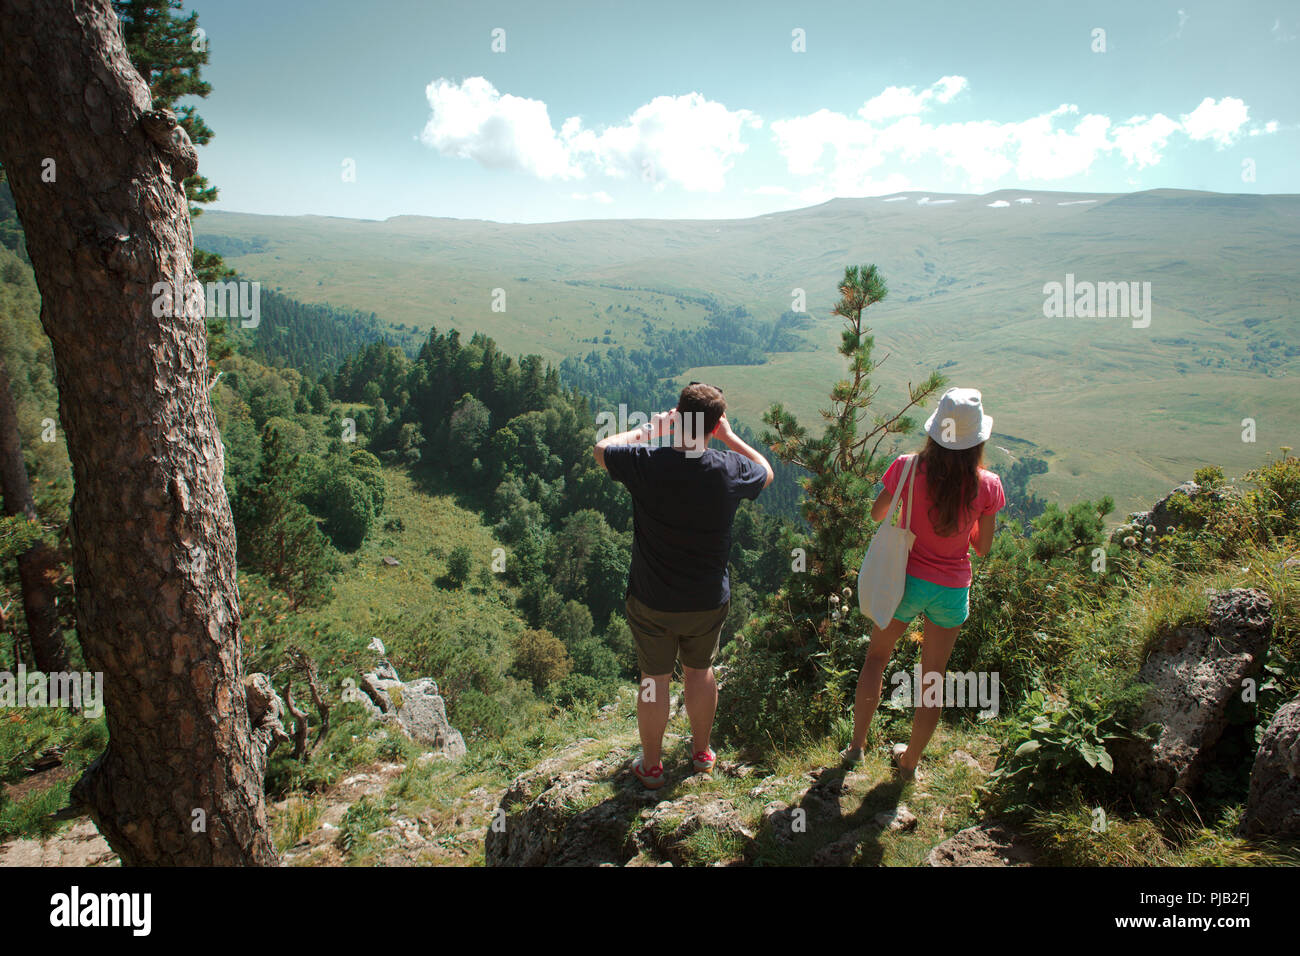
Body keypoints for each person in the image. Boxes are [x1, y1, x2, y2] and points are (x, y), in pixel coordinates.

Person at [594, 383, 773, 789]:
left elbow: (601, 449)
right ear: (713, 426)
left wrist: (651, 431)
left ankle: (652, 767)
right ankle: (701, 754)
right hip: (706, 600)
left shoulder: (646, 462)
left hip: (651, 598)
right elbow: (767, 471)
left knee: (653, 679)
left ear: (676, 414)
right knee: (700, 671)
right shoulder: (728, 468)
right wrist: (727, 436)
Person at [842, 387, 1005, 779]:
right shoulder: (989, 486)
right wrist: (958, 530)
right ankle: (910, 763)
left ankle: (856, 749)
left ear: (934, 432)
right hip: (951, 589)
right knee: (933, 676)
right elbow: (982, 547)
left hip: (905, 580)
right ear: (976, 440)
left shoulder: (907, 467)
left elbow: (876, 512)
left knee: (877, 659)